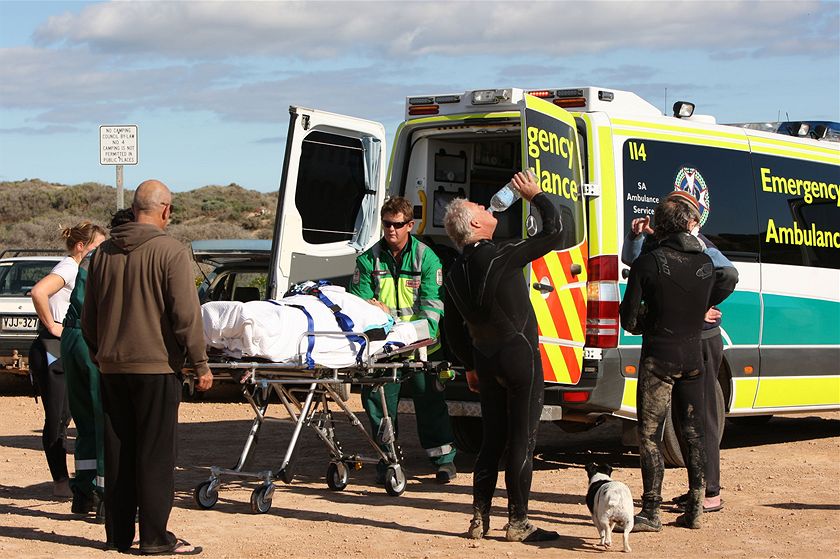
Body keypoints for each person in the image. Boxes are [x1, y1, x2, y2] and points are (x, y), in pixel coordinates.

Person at [82, 180, 212, 555]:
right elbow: (185, 315)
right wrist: (200, 363)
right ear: (165, 210)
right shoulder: (170, 251)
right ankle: (155, 539)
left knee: (119, 451)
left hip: (112, 368)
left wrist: (101, 352)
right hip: (156, 368)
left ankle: (118, 536)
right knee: (155, 454)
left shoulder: (102, 253)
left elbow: (89, 317)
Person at [442, 171, 562, 543]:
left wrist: (469, 366)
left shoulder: (452, 272)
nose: (486, 204)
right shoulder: (500, 255)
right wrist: (537, 195)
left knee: (491, 441)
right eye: (479, 206)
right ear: (477, 223)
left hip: (485, 357)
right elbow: (554, 233)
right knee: (522, 439)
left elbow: (450, 328)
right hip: (518, 357)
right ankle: (518, 522)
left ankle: (479, 518)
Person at [619, 196, 737, 531]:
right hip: (693, 358)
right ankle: (697, 509)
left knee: (650, 434)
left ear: (660, 225)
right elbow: (727, 277)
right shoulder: (704, 263)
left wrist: (651, 320)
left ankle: (652, 512)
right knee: (695, 432)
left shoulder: (649, 263)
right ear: (689, 224)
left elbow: (629, 319)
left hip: (660, 357)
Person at [348, 196, 457, 483]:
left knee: (431, 403)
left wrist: (404, 328)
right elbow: (359, 306)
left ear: (410, 224)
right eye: (386, 224)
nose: (391, 230)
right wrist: (383, 324)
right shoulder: (367, 259)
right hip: (383, 349)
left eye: (397, 225)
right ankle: (388, 459)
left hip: (422, 347)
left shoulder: (427, 258)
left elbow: (432, 306)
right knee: (379, 406)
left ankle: (443, 461)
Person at [61, 209, 134, 523]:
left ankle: (83, 493)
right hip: (92, 340)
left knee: (85, 424)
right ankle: (107, 497)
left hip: (71, 338)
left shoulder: (86, 263)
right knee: (106, 421)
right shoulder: (108, 262)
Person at [29, 221, 106, 498]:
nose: (101, 252)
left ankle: (72, 481)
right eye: (97, 247)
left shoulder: (83, 269)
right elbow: (39, 291)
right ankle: (60, 481)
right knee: (58, 418)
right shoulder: (70, 267)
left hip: (67, 346)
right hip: (54, 346)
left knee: (72, 414)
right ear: (81, 246)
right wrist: (53, 325)